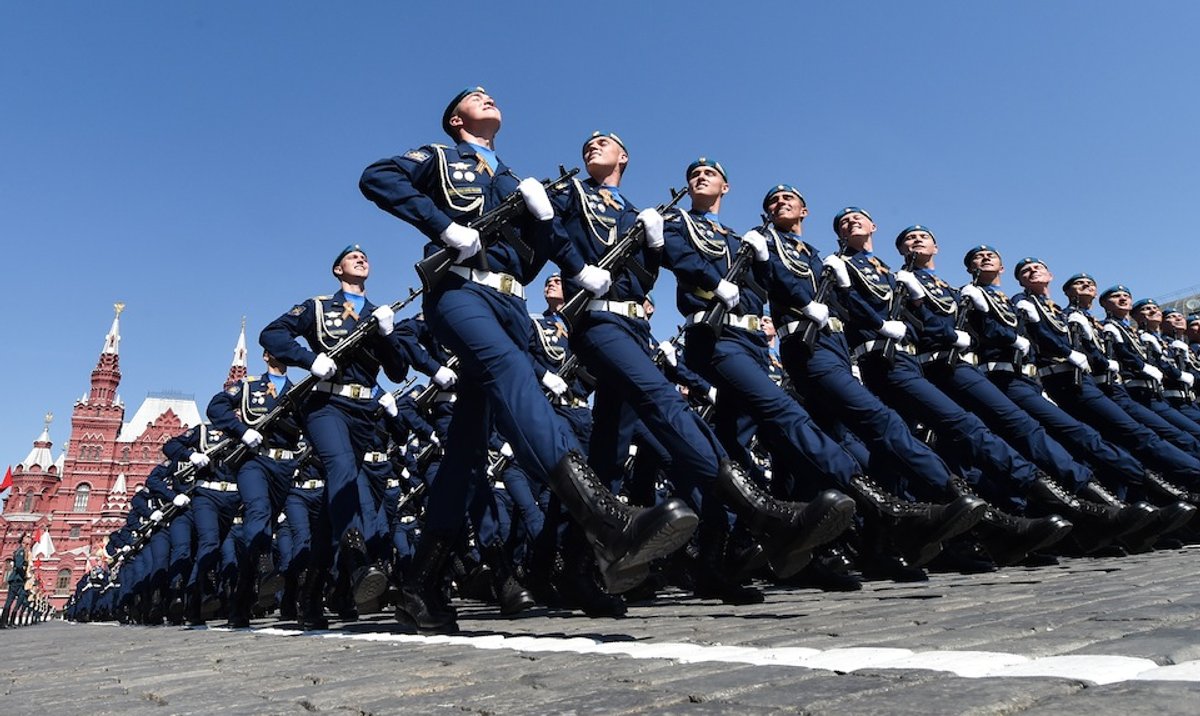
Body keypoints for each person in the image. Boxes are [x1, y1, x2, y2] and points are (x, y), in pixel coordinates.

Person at [360, 87, 697, 632]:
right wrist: (442, 226)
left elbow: (551, 234)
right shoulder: (440, 157)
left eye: (491, 95)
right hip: (461, 292)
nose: (488, 98)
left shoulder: (520, 182)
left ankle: (420, 582)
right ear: (455, 119)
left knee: (468, 449)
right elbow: (378, 177)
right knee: (517, 380)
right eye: (475, 97)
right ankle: (604, 521)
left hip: (512, 304)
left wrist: (574, 262)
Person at [261, 244, 422, 621]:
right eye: (352, 257)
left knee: (335, 506)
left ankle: (314, 594)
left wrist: (386, 334)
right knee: (342, 469)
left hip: (363, 411)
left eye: (366, 256)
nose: (362, 258)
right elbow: (272, 335)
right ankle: (356, 559)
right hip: (326, 406)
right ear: (337, 270)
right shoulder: (318, 307)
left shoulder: (378, 314)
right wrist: (308, 358)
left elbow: (398, 372)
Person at [207, 349, 304, 627]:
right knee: (258, 511)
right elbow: (216, 407)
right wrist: (241, 430)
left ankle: (246, 597)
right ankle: (254, 580)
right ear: (265, 357)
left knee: (264, 529)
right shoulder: (249, 386)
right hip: (254, 461)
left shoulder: (299, 391)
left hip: (284, 466)